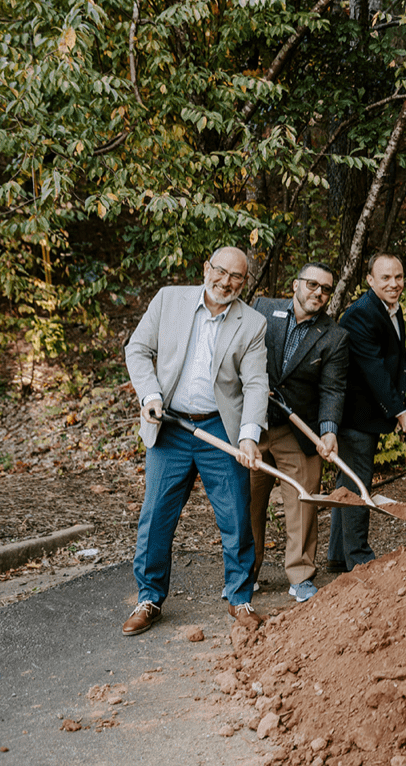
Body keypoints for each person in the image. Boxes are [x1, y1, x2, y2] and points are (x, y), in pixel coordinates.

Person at [122, 246, 268, 635]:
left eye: (236, 277)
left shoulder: (252, 323)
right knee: (156, 516)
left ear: (244, 281)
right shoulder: (169, 299)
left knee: (236, 515)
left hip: (219, 428)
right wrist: (150, 395)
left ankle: (240, 598)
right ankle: (149, 597)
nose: (226, 282)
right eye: (220, 272)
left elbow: (255, 383)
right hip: (169, 425)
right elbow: (137, 349)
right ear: (207, 268)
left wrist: (249, 435)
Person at [249, 262, 348, 602]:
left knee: (303, 501)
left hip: (299, 429)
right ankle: (245, 573)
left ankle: (301, 576)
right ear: (296, 285)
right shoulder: (262, 309)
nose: (318, 293)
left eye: (325, 289)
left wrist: (329, 430)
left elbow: (333, 390)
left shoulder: (334, 336)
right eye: (312, 284)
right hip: (254, 424)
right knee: (246, 501)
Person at [329, 253, 406, 572]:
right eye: (386, 278)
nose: (394, 283)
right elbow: (374, 370)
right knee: (358, 485)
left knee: (348, 482)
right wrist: (400, 412)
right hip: (356, 416)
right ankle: (359, 558)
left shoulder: (389, 308)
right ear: (369, 280)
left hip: (368, 416)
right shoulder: (361, 314)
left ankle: (338, 556)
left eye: (399, 277)